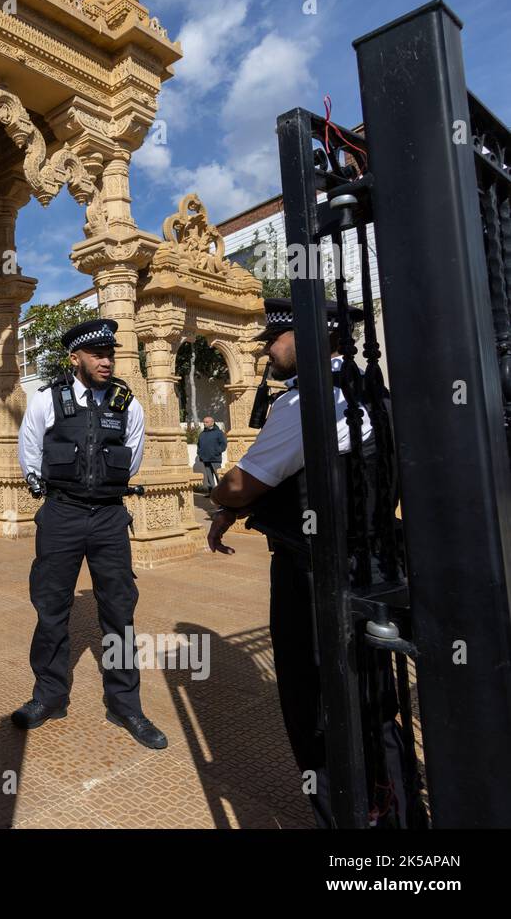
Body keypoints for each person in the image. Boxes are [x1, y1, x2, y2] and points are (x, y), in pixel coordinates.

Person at [207, 297, 412, 827]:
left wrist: (222, 499)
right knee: (370, 701)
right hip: (371, 565)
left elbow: (242, 481)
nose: (266, 353)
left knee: (317, 707)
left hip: (315, 575)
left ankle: (352, 820)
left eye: (273, 340)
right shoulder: (371, 390)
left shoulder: (308, 403)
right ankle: (391, 812)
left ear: (308, 337)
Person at [12, 318, 167, 749]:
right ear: (75, 358)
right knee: (51, 608)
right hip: (61, 513)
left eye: (110, 354)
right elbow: (30, 451)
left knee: (119, 611)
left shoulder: (128, 405)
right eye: (97, 354)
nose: (106, 361)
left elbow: (131, 460)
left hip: (109, 519)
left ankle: (124, 704)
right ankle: (49, 696)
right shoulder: (46, 400)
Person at [197, 415, 227, 492]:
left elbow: (223, 444)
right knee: (209, 477)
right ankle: (212, 492)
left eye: (206, 422)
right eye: (204, 422)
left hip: (215, 458)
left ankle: (221, 493)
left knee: (218, 476)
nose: (204, 423)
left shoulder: (219, 433)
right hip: (205, 459)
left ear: (212, 422)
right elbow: (199, 445)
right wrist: (200, 453)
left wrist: (217, 452)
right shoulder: (202, 434)